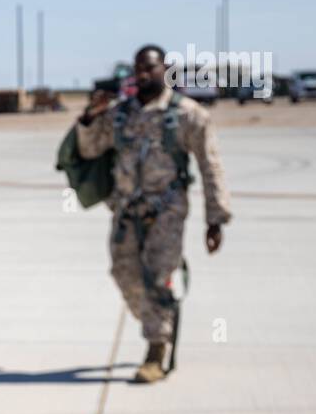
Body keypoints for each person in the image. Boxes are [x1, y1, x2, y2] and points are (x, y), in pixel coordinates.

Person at [74, 45, 231, 383]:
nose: (143, 74)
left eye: (150, 68)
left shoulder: (188, 115)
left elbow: (210, 166)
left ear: (166, 69)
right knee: (123, 273)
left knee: (158, 278)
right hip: (126, 210)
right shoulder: (120, 113)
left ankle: (156, 351)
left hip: (167, 212)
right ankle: (155, 318)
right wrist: (89, 117)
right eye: (138, 69)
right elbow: (89, 149)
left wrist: (215, 218)